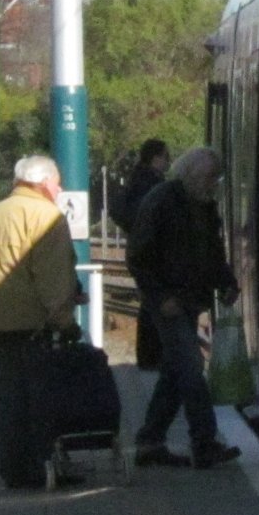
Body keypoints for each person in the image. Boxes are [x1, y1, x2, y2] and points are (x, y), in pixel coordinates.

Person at [126, 145, 241, 468]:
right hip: (168, 303)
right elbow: (138, 257)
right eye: (207, 177)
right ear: (189, 173)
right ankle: (204, 442)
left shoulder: (204, 206)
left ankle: (150, 441)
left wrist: (227, 282)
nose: (212, 184)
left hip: (190, 299)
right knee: (191, 368)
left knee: (176, 372)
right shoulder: (161, 200)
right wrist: (161, 297)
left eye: (215, 178)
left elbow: (213, 251)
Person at [0, 155, 85, 490]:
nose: (59, 188)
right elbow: (53, 281)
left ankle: (12, 470)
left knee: (7, 401)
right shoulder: (47, 217)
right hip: (34, 325)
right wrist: (66, 323)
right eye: (57, 182)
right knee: (39, 402)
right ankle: (41, 469)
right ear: (45, 183)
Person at [112, 138, 171, 370]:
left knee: (149, 303)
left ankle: (149, 357)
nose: (168, 162)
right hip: (151, 252)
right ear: (155, 158)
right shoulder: (152, 184)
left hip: (140, 248)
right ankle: (152, 357)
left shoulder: (137, 180)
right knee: (154, 306)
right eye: (166, 157)